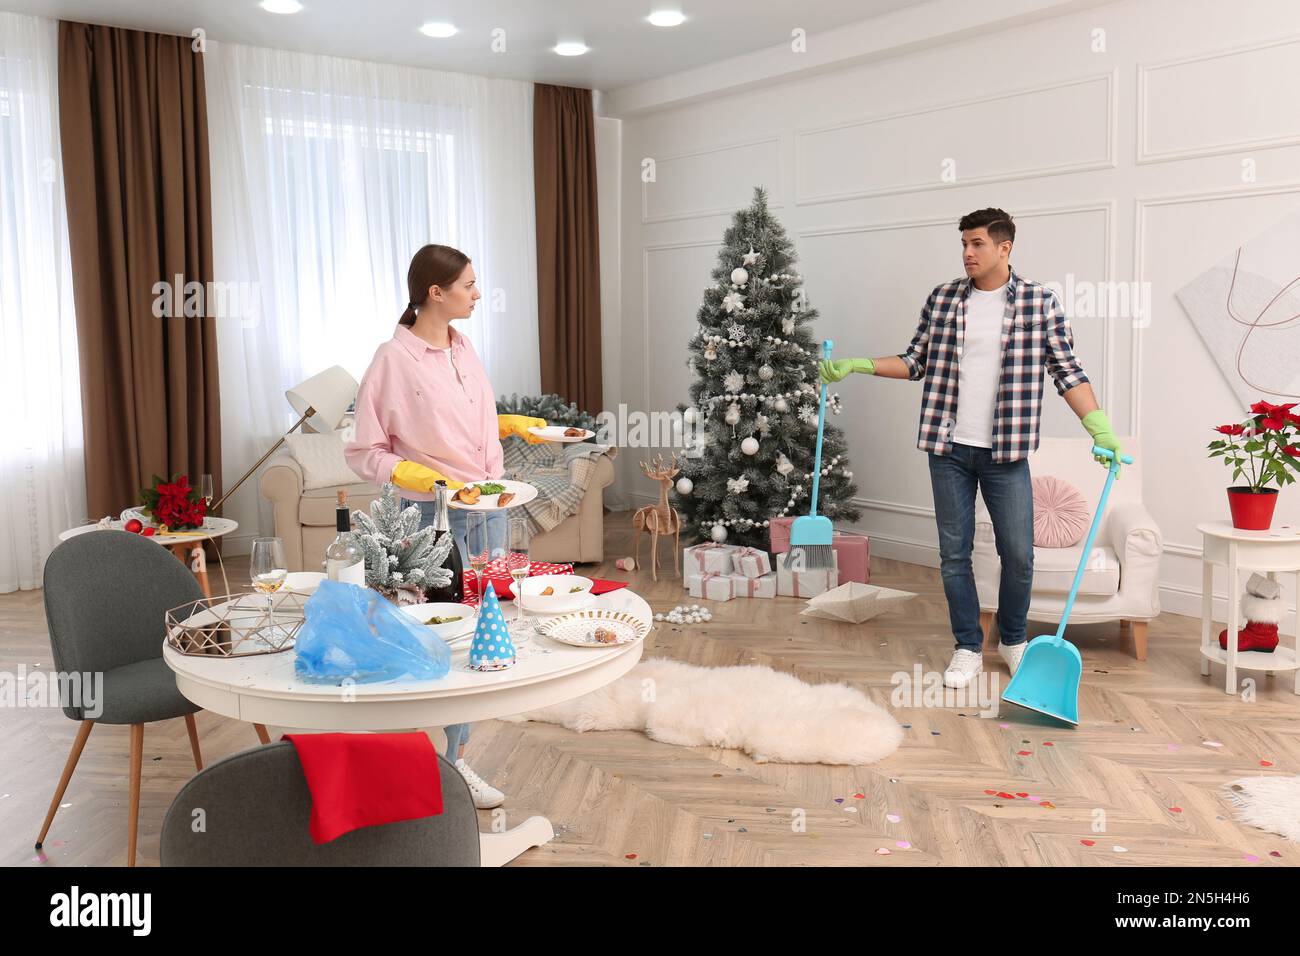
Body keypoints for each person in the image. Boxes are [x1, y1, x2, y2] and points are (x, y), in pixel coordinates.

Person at [820, 208, 1121, 690]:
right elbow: (915, 361)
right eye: (964, 243)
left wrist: (1099, 429)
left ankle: (1014, 640)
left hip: (1006, 452)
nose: (967, 253)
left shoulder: (1039, 302)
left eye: (978, 243)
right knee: (954, 554)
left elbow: (1066, 370)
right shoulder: (943, 300)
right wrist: (859, 364)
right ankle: (966, 646)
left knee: (1019, 555)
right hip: (948, 448)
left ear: (1005, 248)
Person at [345, 243, 546, 808]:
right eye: (469, 285)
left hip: (487, 509)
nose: (478, 294)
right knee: (432, 640)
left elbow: (464, 424)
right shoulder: (392, 359)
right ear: (436, 292)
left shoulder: (465, 347)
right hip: (428, 519)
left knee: (483, 636)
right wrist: (407, 471)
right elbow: (363, 450)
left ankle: (455, 765)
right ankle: (405, 765)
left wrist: (506, 423)